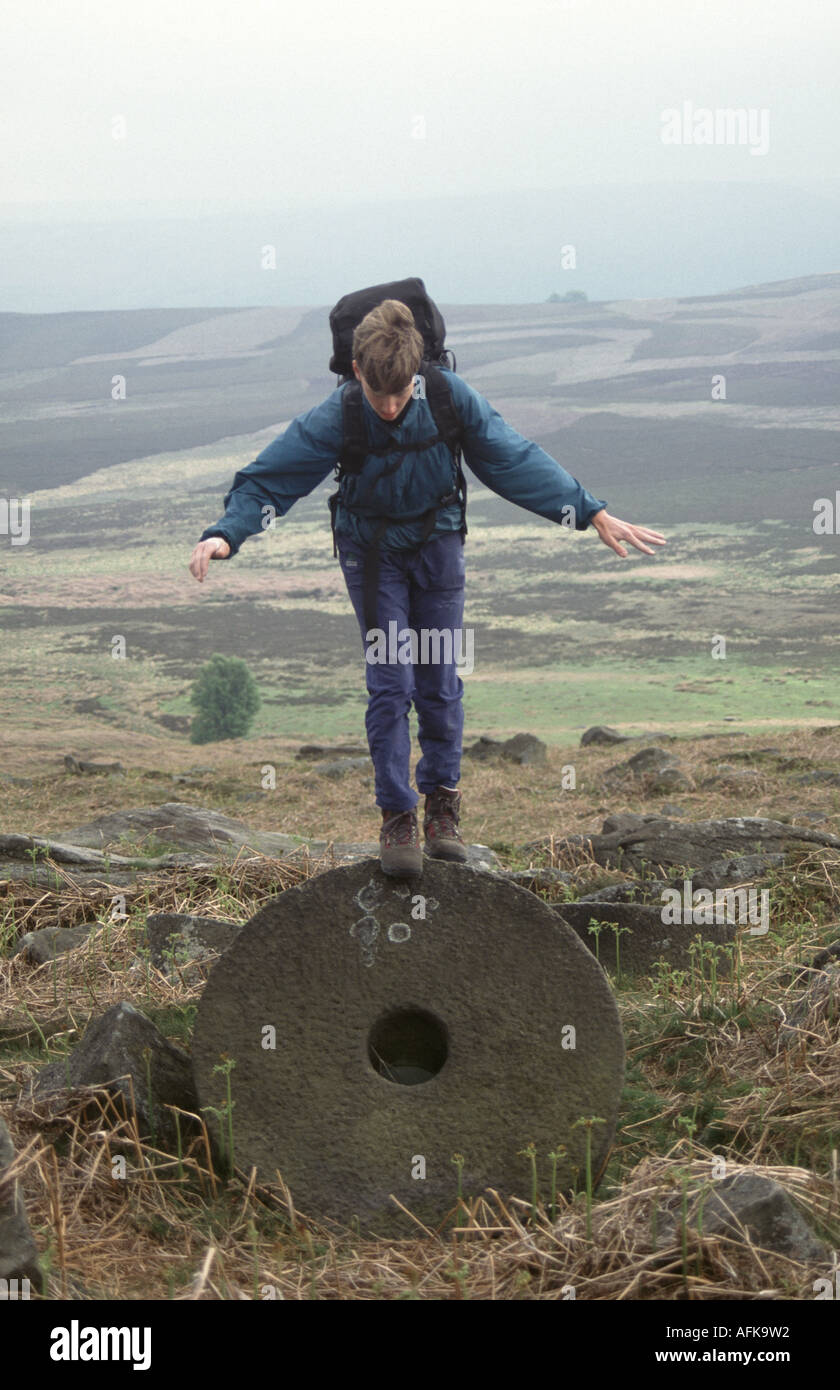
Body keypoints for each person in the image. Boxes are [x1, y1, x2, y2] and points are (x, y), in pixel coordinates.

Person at [189, 299, 665, 877]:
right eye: (378, 394)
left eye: (401, 392)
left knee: (439, 679)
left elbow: (514, 458)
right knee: (391, 683)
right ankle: (397, 816)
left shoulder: (446, 397)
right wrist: (227, 535)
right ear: (358, 371)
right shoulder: (338, 413)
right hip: (370, 556)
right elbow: (273, 476)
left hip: (437, 546)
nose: (390, 408)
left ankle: (443, 806)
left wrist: (589, 512)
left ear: (417, 374)